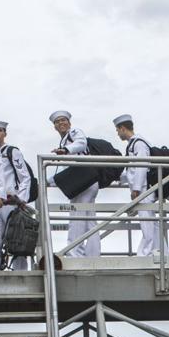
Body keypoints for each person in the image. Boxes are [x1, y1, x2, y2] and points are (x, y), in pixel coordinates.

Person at [50, 110, 100, 257]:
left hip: (84, 180)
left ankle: (74, 253)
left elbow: (81, 143)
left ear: (69, 123)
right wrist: (50, 181)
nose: (61, 123)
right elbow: (67, 169)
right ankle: (93, 255)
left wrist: (66, 150)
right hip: (84, 180)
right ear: (55, 126)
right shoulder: (64, 140)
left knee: (76, 216)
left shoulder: (74, 132)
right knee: (89, 220)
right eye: (58, 121)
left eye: (63, 120)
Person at [115, 114, 165, 256]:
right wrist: (119, 178)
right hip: (142, 188)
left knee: (146, 221)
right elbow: (132, 169)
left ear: (123, 128)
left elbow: (142, 166)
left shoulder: (139, 143)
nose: (118, 134)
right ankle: (161, 252)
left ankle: (146, 254)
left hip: (144, 189)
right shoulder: (134, 144)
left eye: (118, 130)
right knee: (151, 222)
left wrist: (136, 189)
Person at [0, 119, 32, 271]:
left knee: (17, 238)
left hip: (11, 202)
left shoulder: (12, 151)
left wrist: (21, 199)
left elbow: (25, 177)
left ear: (5, 133)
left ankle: (21, 271)